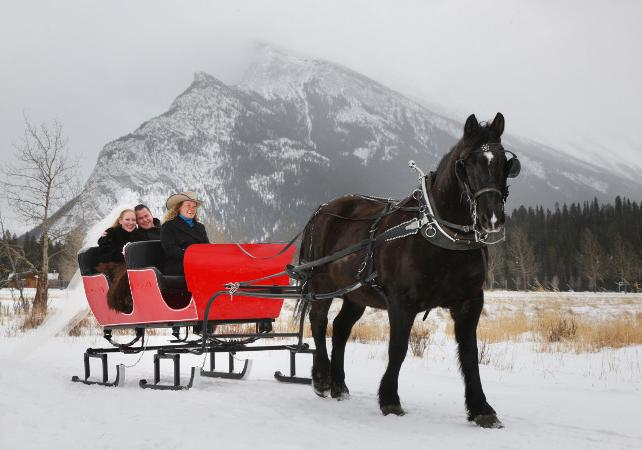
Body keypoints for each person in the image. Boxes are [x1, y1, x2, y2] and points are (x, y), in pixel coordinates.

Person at [95, 209, 142, 313]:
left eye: (133, 220)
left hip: (135, 262)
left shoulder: (139, 234)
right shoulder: (111, 233)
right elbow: (104, 253)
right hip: (113, 263)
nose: (130, 222)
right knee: (127, 273)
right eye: (127, 219)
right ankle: (122, 302)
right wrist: (122, 253)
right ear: (120, 221)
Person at [160, 191, 209, 276]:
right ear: (179, 207)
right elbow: (171, 251)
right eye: (188, 205)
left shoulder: (200, 227)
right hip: (178, 266)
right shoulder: (168, 226)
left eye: (194, 206)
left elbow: (207, 246)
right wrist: (195, 255)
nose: (192, 209)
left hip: (200, 262)